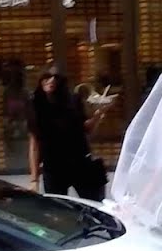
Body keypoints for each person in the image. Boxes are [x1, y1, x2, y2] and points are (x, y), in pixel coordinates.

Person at [28, 70, 109, 200]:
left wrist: (98, 115)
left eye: (56, 78)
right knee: (58, 210)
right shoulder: (35, 105)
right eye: (47, 77)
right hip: (53, 166)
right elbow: (34, 145)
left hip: (80, 162)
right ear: (41, 80)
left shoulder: (72, 100)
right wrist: (34, 179)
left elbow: (86, 129)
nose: (51, 81)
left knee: (94, 207)